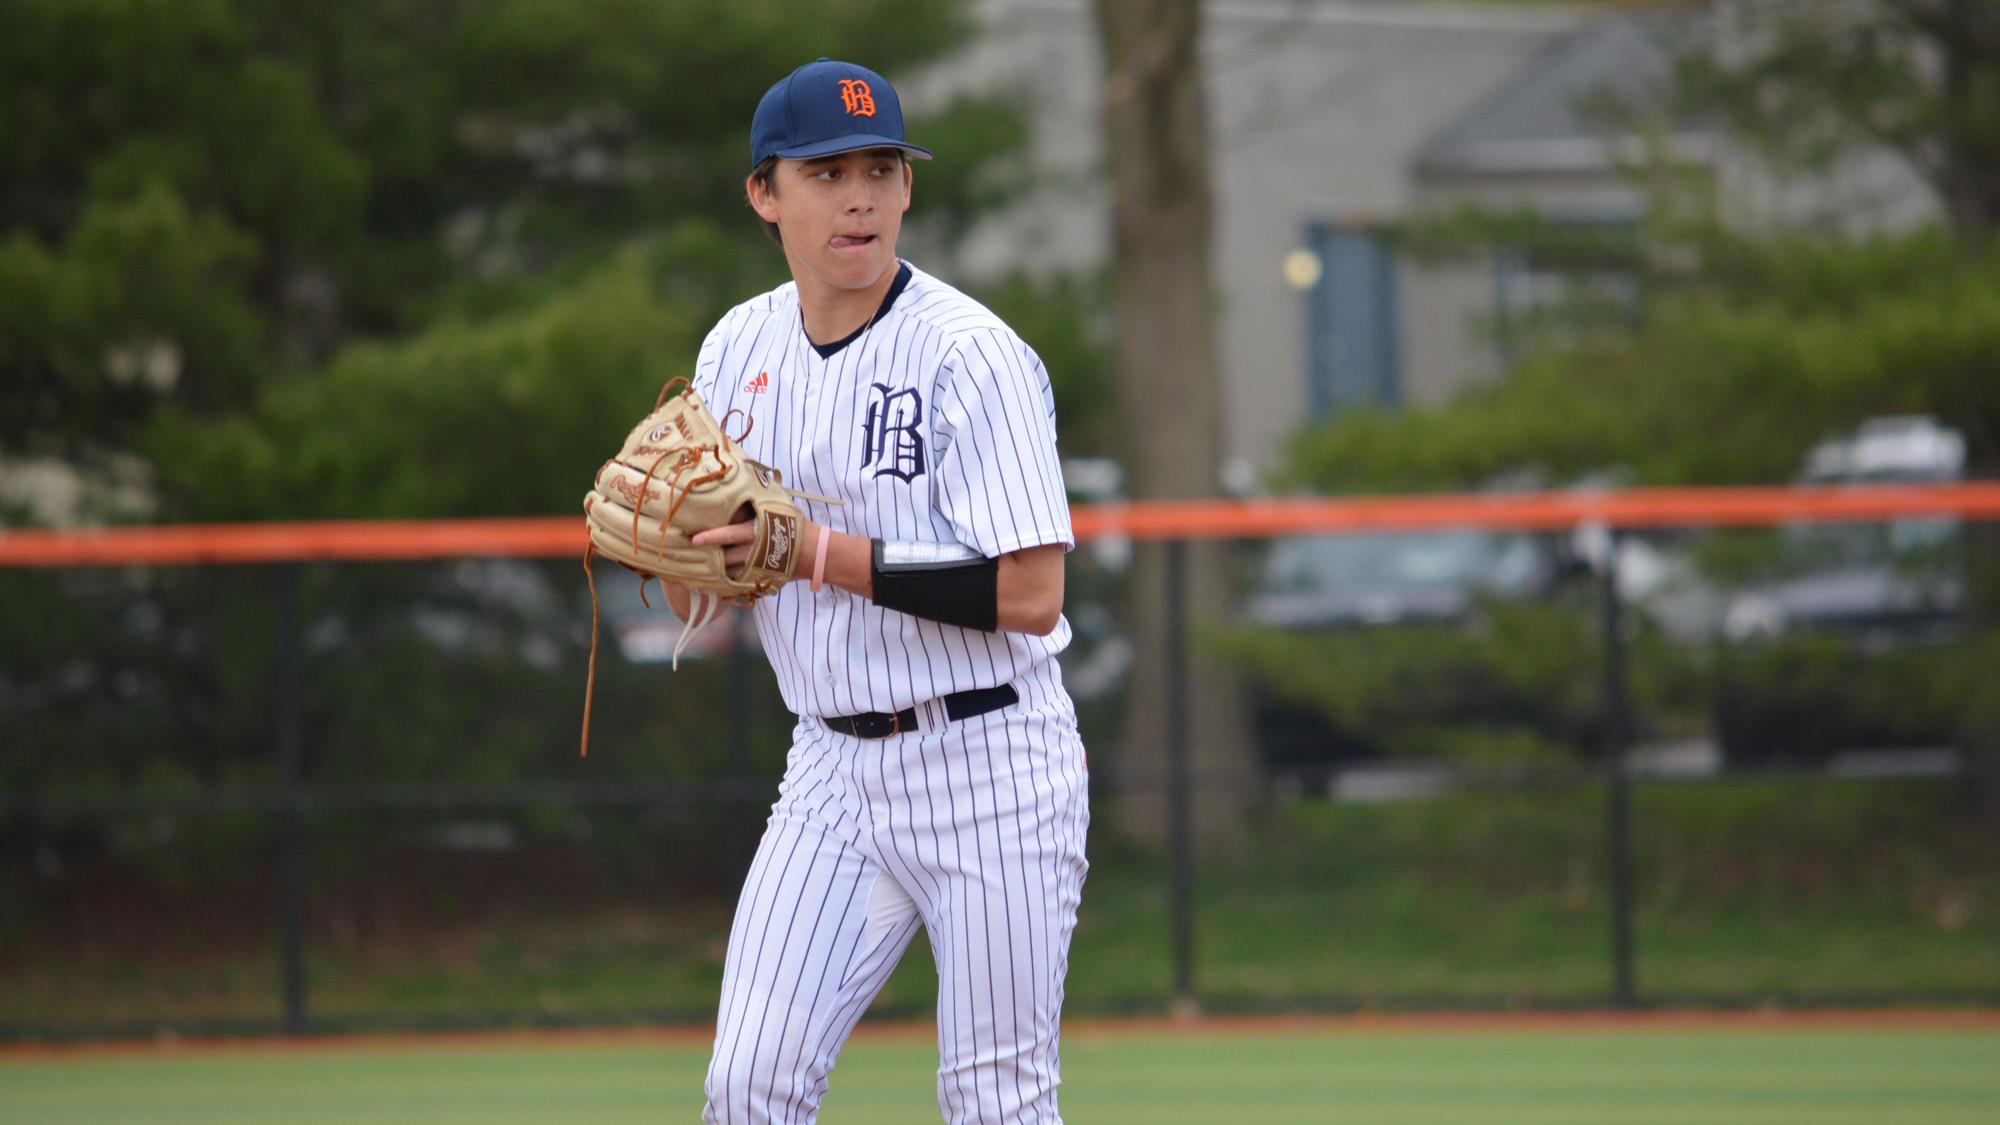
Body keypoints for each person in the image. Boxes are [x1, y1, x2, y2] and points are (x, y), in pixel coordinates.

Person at [663, 58, 1089, 1124]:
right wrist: (680, 563)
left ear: (906, 186)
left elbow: (1032, 593)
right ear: (764, 194)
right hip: (830, 770)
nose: (858, 197)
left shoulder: (971, 355)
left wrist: (814, 552)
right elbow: (715, 593)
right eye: (826, 173)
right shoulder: (737, 346)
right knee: (748, 1083)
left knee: (995, 1100)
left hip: (991, 762)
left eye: (880, 169)